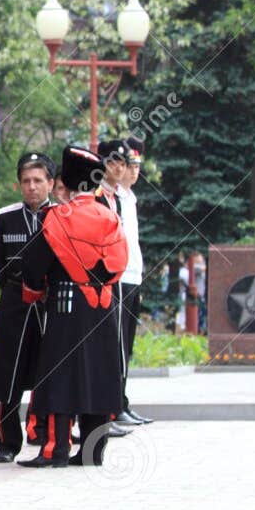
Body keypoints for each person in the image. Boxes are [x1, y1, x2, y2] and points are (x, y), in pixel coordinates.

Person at [16, 145, 128, 468]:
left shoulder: (56, 218)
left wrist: (33, 293)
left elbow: (33, 267)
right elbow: (118, 263)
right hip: (102, 305)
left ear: (65, 181)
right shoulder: (110, 217)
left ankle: (55, 450)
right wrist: (95, 285)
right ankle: (93, 451)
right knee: (98, 375)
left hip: (64, 306)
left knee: (59, 375)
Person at [0, 151, 55, 463]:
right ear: (19, 185)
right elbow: (0, 264)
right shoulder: (7, 216)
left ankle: (49, 435)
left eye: (38, 180)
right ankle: (7, 442)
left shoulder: (62, 215)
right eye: (26, 181)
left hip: (50, 303)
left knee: (49, 370)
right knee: (8, 373)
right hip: (15, 303)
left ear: (50, 183)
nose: (32, 186)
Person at [103, 139, 152, 426]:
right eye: (126, 165)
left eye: (135, 166)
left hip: (133, 277)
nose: (132, 172)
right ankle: (115, 405)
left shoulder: (130, 199)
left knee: (127, 345)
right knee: (117, 345)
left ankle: (122, 401)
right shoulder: (112, 197)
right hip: (119, 278)